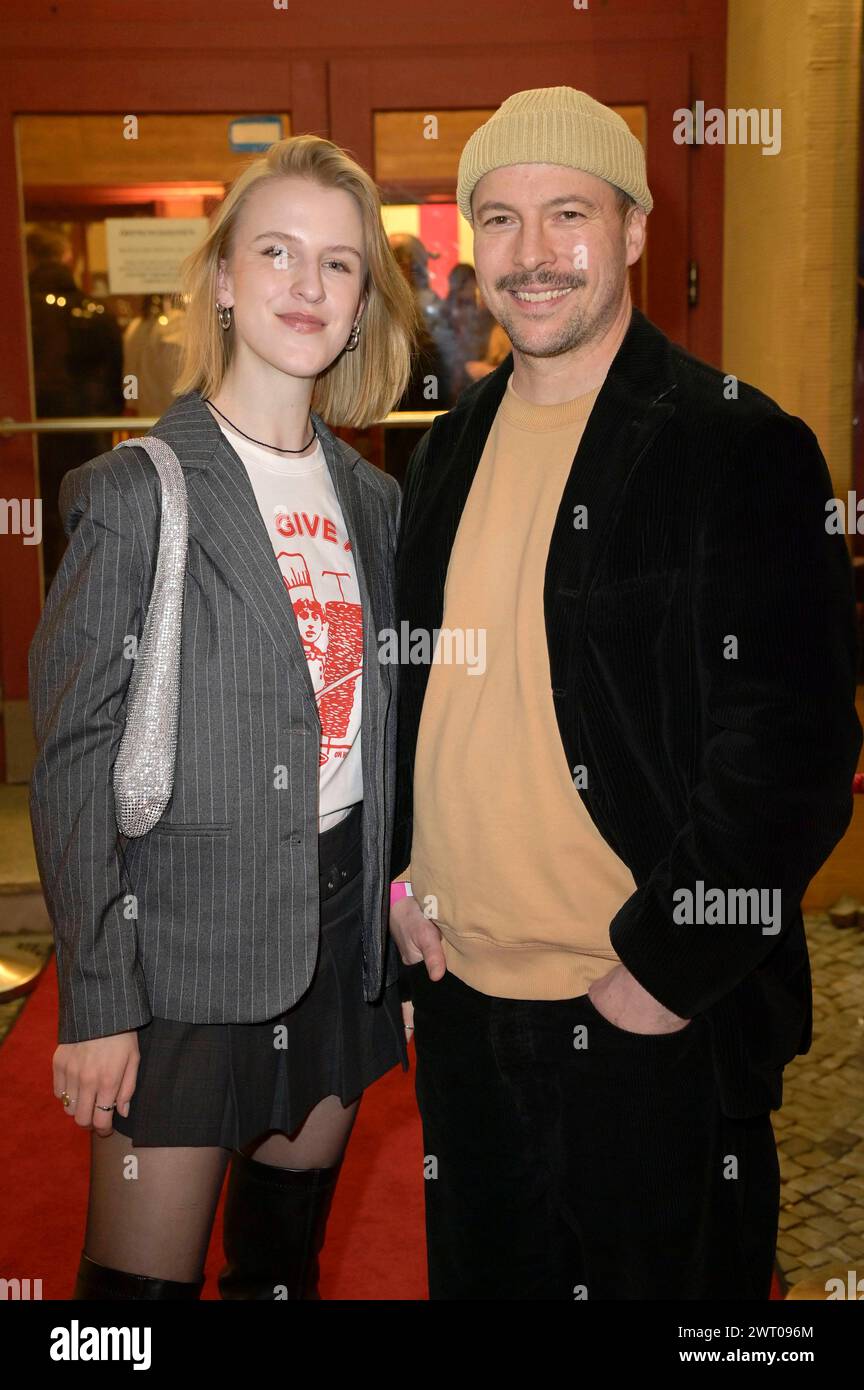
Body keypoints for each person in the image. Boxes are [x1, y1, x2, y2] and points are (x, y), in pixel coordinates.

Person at [388, 87, 863, 1300]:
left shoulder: (737, 444)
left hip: (647, 1021)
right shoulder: (442, 450)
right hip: (463, 1015)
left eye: (568, 214)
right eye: (499, 219)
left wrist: (657, 975)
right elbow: (418, 701)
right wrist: (403, 889)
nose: (532, 254)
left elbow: (795, 755)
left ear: (637, 228)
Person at [28, 132, 420, 1300]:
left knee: (281, 1264)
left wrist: (404, 901)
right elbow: (74, 762)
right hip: (183, 957)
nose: (307, 285)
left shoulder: (377, 501)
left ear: (360, 306)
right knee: (130, 1308)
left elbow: (383, 734)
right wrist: (96, 1000)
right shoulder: (134, 491)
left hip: (340, 933)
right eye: (279, 252)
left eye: (338, 265)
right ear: (226, 282)